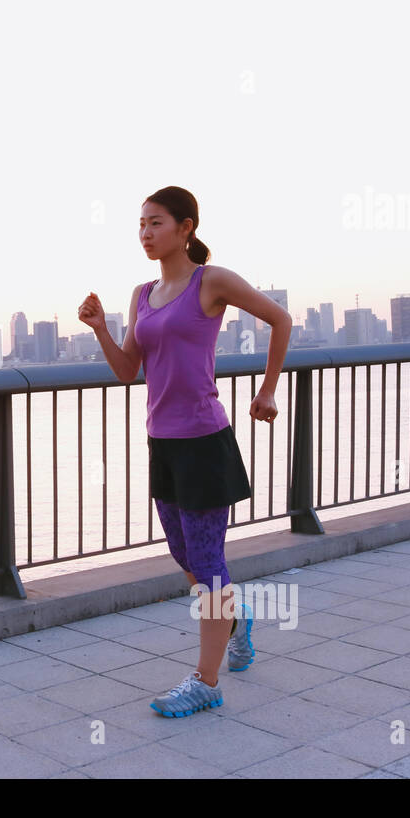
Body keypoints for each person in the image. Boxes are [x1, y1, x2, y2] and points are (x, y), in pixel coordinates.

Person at [78, 186, 291, 718]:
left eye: (156, 223)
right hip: (163, 443)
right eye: (141, 225)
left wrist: (266, 391)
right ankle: (236, 624)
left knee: (209, 563)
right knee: (186, 559)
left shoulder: (210, 281)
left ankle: (207, 681)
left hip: (203, 442)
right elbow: (130, 371)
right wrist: (101, 329)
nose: (146, 234)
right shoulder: (141, 293)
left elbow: (280, 319)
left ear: (186, 227)